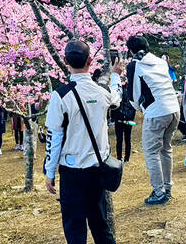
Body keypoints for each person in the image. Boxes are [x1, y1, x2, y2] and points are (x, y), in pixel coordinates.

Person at [44, 40, 122, 244]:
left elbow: (54, 137)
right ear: (90, 60)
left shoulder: (61, 96)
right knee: (101, 225)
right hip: (98, 169)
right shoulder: (101, 92)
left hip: (72, 172)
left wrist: (50, 172)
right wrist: (115, 75)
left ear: (65, 61)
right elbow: (117, 97)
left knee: (75, 229)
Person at [126, 35, 181, 205]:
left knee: (151, 152)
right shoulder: (160, 61)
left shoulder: (135, 65)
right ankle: (167, 186)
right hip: (174, 109)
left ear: (130, 50)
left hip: (157, 112)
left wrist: (137, 107)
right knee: (166, 149)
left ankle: (159, 192)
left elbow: (134, 95)